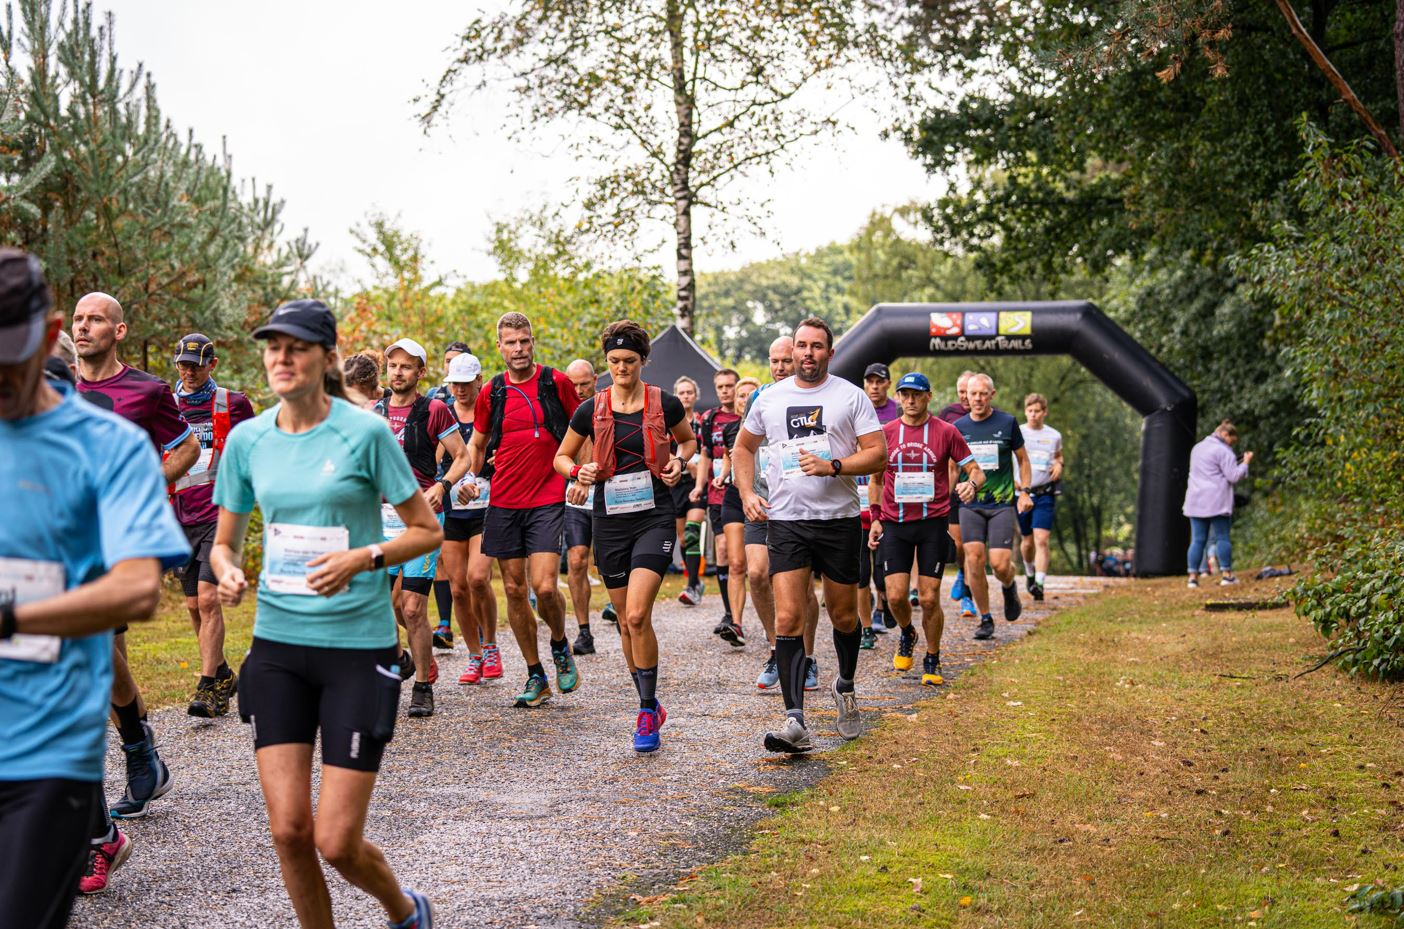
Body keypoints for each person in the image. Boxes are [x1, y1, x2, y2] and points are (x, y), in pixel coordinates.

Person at [210, 298, 441, 929]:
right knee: (288, 830)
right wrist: (228, 571)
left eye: (296, 348)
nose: (281, 358)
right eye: (272, 347)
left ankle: (403, 910)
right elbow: (224, 541)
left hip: (356, 651)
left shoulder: (363, 432)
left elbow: (425, 532)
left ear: (326, 358)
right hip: (278, 649)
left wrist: (364, 558)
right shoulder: (248, 440)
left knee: (335, 840)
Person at [0, 249, 189, 928]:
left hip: (44, 747)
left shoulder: (109, 444)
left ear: (46, 334)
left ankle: (131, 759)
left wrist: (14, 616)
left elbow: (140, 590)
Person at [72, 292, 200, 863]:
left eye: (95, 318)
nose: (84, 327)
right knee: (107, 653)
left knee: (94, 647)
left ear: (119, 330)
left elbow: (188, 448)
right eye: (77, 318)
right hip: (62, 538)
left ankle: (124, 772)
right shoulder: (51, 386)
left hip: (117, 540)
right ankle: (141, 750)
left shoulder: (147, 391)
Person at [733, 317, 886, 754]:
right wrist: (746, 492)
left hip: (838, 519)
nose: (807, 353)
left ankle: (846, 685)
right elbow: (743, 448)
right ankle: (794, 719)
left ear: (830, 353)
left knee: (842, 616)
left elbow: (878, 455)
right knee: (788, 619)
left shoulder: (850, 397)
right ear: (792, 350)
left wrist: (834, 466)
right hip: (787, 521)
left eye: (817, 346)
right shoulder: (769, 398)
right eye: (801, 345)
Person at [554, 321, 696, 751]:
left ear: (643, 361)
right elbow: (560, 457)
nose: (621, 369)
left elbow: (688, 444)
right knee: (624, 626)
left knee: (636, 616)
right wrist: (580, 471)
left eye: (629, 362)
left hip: (654, 515)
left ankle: (647, 710)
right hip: (610, 521)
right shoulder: (589, 409)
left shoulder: (664, 403)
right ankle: (648, 701)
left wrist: (680, 463)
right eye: (614, 362)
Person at [462, 312, 582, 708]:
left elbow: (582, 431)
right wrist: (468, 479)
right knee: (513, 588)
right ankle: (535, 673)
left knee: (545, 586)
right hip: (503, 499)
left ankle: (560, 644)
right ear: (499, 347)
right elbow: (477, 445)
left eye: (524, 341)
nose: (518, 349)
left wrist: (581, 477)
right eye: (510, 342)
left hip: (547, 494)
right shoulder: (491, 392)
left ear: (533, 341)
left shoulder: (556, 382)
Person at [868, 373, 983, 686]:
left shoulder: (946, 432)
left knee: (930, 599)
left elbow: (975, 469)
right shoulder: (887, 432)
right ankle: (907, 631)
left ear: (928, 396)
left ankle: (933, 656)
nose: (909, 400)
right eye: (904, 394)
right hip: (895, 522)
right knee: (894, 597)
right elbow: (876, 481)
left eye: (916, 394)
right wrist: (876, 517)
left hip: (932, 523)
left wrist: (971, 484)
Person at [376, 337, 471, 719]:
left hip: (421, 518)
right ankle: (401, 658)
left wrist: (442, 486)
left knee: (413, 607)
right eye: (393, 365)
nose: (398, 372)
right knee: (377, 606)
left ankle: (422, 686)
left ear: (421, 372)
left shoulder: (434, 410)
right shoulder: (374, 410)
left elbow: (462, 457)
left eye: (406, 366)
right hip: (379, 521)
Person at [171, 333, 257, 718]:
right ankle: (221, 672)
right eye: (183, 365)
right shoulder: (166, 406)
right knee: (193, 604)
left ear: (212, 364)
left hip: (220, 516)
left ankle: (208, 688)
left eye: (196, 364)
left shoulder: (232, 403)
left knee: (208, 599)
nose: (189, 372)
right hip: (179, 515)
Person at [742, 337, 822, 693]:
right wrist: (746, 491)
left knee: (802, 586)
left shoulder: (813, 396)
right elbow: (744, 448)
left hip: (800, 504)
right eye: (773, 361)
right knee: (757, 574)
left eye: (784, 361)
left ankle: (806, 656)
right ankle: (777, 649)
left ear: (795, 359)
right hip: (763, 500)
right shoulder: (759, 398)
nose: (779, 367)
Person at [438, 352, 502, 686]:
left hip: (487, 507)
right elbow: (435, 459)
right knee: (459, 588)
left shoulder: (492, 411)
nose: (460, 390)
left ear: (479, 381)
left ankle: (491, 645)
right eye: (454, 384)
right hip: (452, 509)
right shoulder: (441, 413)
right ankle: (474, 655)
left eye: (466, 384)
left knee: (479, 578)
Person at [953, 374, 1033, 640]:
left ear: (991, 395)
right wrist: (947, 495)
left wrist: (1025, 492)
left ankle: (1009, 585)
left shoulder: (1007, 422)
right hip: (970, 505)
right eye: (972, 394)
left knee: (999, 565)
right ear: (966, 396)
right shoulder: (959, 426)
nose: (976, 399)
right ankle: (986, 618)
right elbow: (952, 468)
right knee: (974, 560)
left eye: (982, 394)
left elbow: (1022, 460)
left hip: (1001, 504)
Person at [693, 368, 745, 645]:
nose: (725, 391)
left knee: (750, 561)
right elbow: (704, 455)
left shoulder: (746, 416)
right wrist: (700, 486)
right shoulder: (709, 418)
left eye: (730, 386)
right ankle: (730, 614)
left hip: (746, 491)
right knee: (724, 552)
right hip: (718, 495)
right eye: (721, 387)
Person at [1184, 420, 1252, 588]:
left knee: (1197, 540)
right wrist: (1245, 463)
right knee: (1222, 537)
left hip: (1196, 500)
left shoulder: (1197, 448)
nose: (1232, 443)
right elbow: (1234, 476)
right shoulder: (1224, 451)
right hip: (1216, 502)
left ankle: (1193, 577)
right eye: (1232, 439)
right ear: (1225, 434)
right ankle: (1227, 575)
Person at [563, 358, 600, 655]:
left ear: (595, 379)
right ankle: (584, 631)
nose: (578, 390)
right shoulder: (565, 410)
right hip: (575, 494)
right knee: (576, 559)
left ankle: (626, 617)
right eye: (573, 384)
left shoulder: (607, 406)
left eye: (584, 384)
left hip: (608, 494)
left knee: (610, 563)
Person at [938, 371, 977, 620]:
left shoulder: (986, 416)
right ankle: (962, 573)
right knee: (960, 544)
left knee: (975, 548)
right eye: (961, 391)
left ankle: (968, 598)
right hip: (953, 485)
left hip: (977, 487)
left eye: (969, 391)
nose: (965, 396)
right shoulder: (948, 414)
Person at [1018, 392, 1063, 601]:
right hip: (1021, 494)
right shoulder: (1018, 432)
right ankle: (1029, 571)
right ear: (1025, 411)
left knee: (1042, 539)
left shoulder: (1054, 435)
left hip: (1045, 493)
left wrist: (1059, 464)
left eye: (1037, 411)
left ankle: (1040, 583)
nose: (1033, 415)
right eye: (1030, 411)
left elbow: (1058, 456)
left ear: (1044, 412)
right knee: (1027, 542)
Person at [670, 375, 705, 600]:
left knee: (693, 532)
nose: (685, 396)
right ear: (676, 395)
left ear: (695, 395)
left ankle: (692, 586)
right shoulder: (669, 422)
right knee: (682, 538)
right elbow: (662, 448)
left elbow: (710, 451)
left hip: (698, 483)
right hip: (676, 482)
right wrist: (686, 463)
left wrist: (698, 470)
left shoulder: (702, 422)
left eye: (689, 392)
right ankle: (696, 581)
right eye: (681, 392)